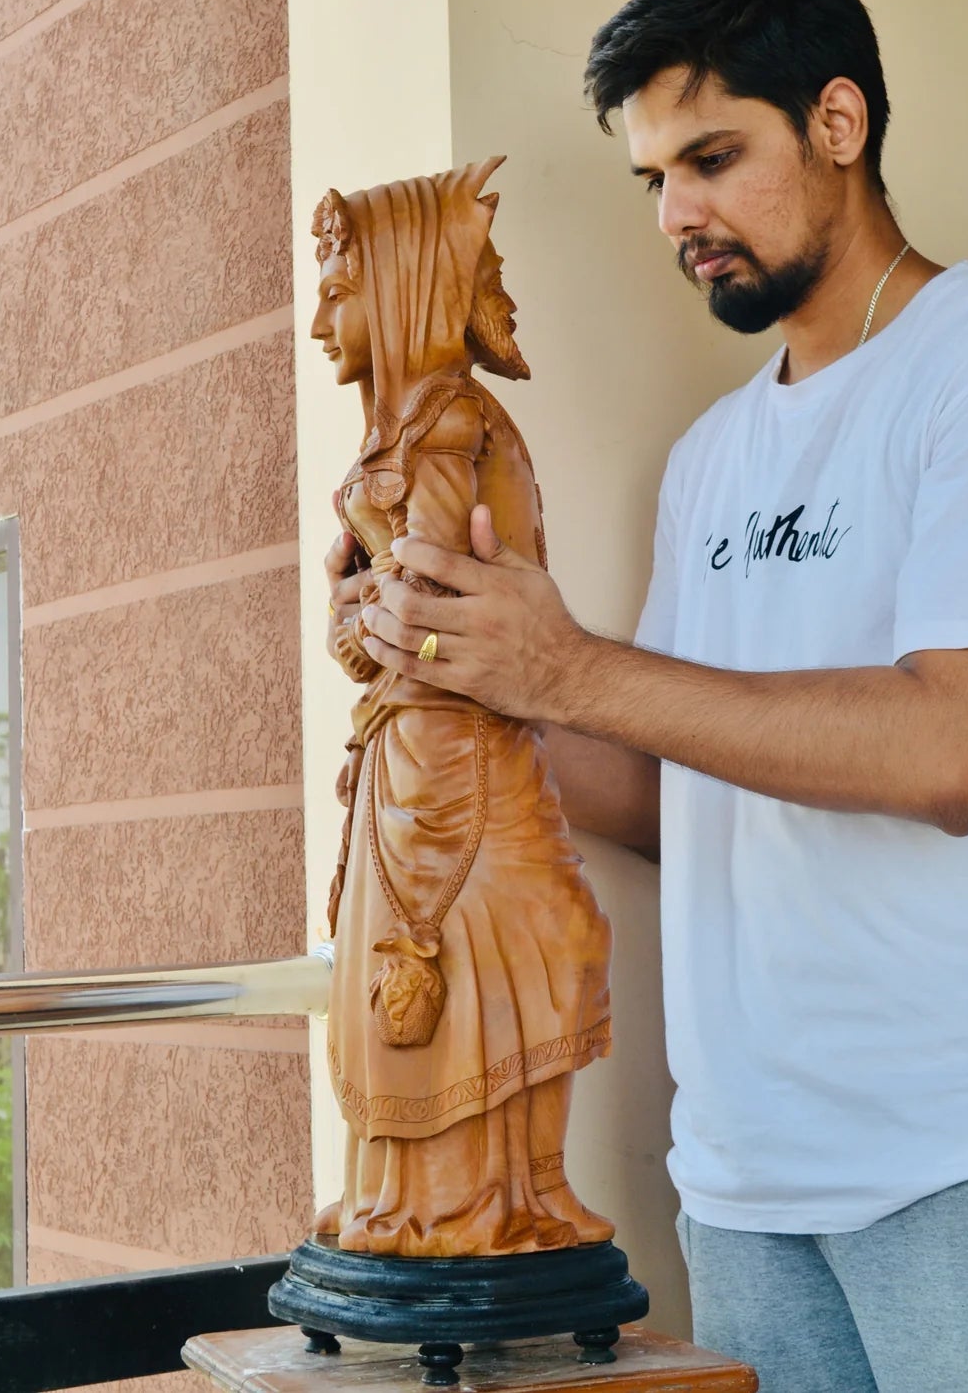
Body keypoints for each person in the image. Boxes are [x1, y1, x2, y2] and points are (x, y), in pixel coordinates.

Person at [336, 0, 968, 1391]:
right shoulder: (715, 456)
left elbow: (949, 752)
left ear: (837, 124)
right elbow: (688, 797)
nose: (678, 215)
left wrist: (569, 669)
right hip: (747, 1185)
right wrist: (461, 677)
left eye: (714, 158)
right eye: (655, 179)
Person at [314, 159, 614, 1258]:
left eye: (335, 295)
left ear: (394, 288)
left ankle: (490, 1203)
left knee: (549, 941)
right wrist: (366, 615)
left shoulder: (446, 430)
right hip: (423, 764)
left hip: (456, 759)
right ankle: (440, 1205)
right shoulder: (406, 438)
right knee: (480, 960)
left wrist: (381, 614)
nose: (316, 324)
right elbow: (397, 626)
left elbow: (440, 611)